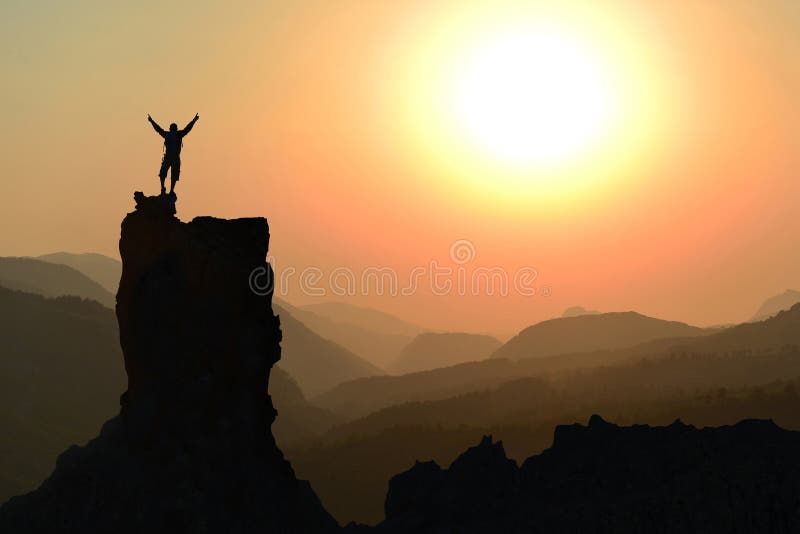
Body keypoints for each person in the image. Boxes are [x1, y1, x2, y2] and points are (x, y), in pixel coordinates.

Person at [147, 113, 199, 195]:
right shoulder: (178, 134)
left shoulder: (168, 134)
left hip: (170, 157)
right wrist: (194, 120)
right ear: (175, 129)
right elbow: (187, 128)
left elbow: (158, 129)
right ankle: (168, 189)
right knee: (171, 175)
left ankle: (165, 188)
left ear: (170, 129)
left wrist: (151, 121)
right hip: (173, 158)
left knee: (165, 174)